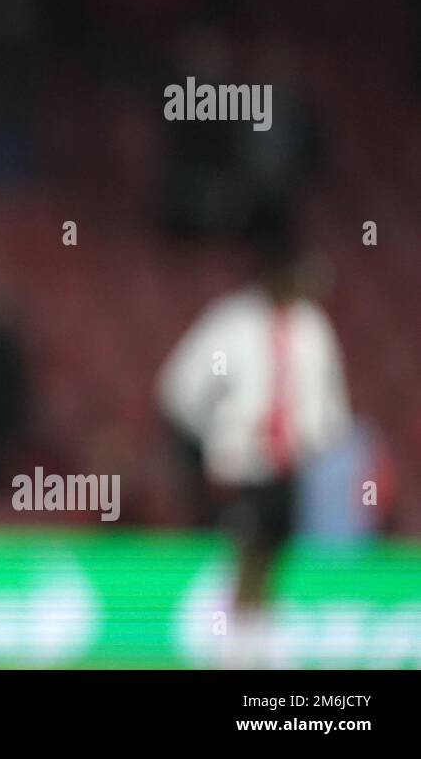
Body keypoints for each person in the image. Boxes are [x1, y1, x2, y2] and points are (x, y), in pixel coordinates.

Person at [157, 210, 351, 667]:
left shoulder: (312, 329)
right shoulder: (231, 322)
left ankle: (258, 650)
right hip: (239, 466)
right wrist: (214, 439)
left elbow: (330, 403)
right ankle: (233, 653)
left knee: (271, 560)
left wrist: (314, 438)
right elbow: (179, 388)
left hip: (287, 466)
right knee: (241, 555)